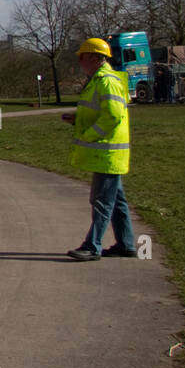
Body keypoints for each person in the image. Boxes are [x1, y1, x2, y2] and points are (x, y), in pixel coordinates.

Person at [61, 38, 135, 260]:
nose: (80, 61)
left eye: (82, 57)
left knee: (102, 201)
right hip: (108, 152)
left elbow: (113, 115)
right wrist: (77, 120)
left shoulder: (106, 81)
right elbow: (102, 111)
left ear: (94, 57)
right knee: (117, 200)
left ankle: (92, 247)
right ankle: (126, 244)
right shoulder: (98, 81)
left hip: (107, 151)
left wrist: (89, 134)